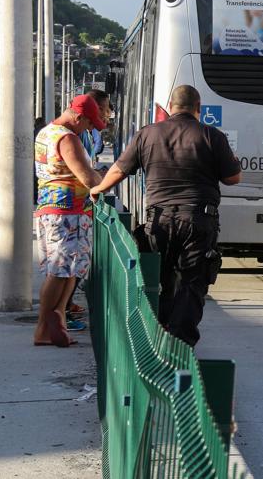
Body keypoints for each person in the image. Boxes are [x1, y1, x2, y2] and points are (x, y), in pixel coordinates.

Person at [90, 85, 241, 346]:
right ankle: (180, 344)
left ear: (170, 107)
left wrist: (98, 189)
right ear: (199, 109)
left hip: (158, 220)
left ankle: (157, 336)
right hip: (198, 220)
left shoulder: (147, 134)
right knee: (191, 283)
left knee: (160, 280)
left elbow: (119, 170)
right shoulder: (211, 136)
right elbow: (232, 178)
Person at [33, 96, 105, 347]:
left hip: (52, 209)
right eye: (88, 123)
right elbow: (87, 178)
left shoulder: (46, 133)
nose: (88, 128)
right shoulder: (68, 138)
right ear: (77, 116)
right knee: (59, 271)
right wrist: (107, 181)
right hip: (67, 213)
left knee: (68, 271)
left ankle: (58, 320)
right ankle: (43, 327)